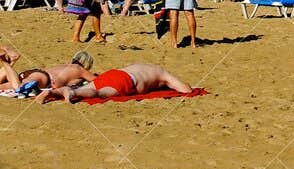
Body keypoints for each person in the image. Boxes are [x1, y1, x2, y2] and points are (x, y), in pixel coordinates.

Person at [36, 61, 193, 104]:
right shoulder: (162, 72)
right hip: (126, 81)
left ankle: (52, 92)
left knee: (93, 87)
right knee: (99, 93)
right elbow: (185, 90)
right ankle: (71, 92)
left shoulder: (144, 65)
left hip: (115, 73)